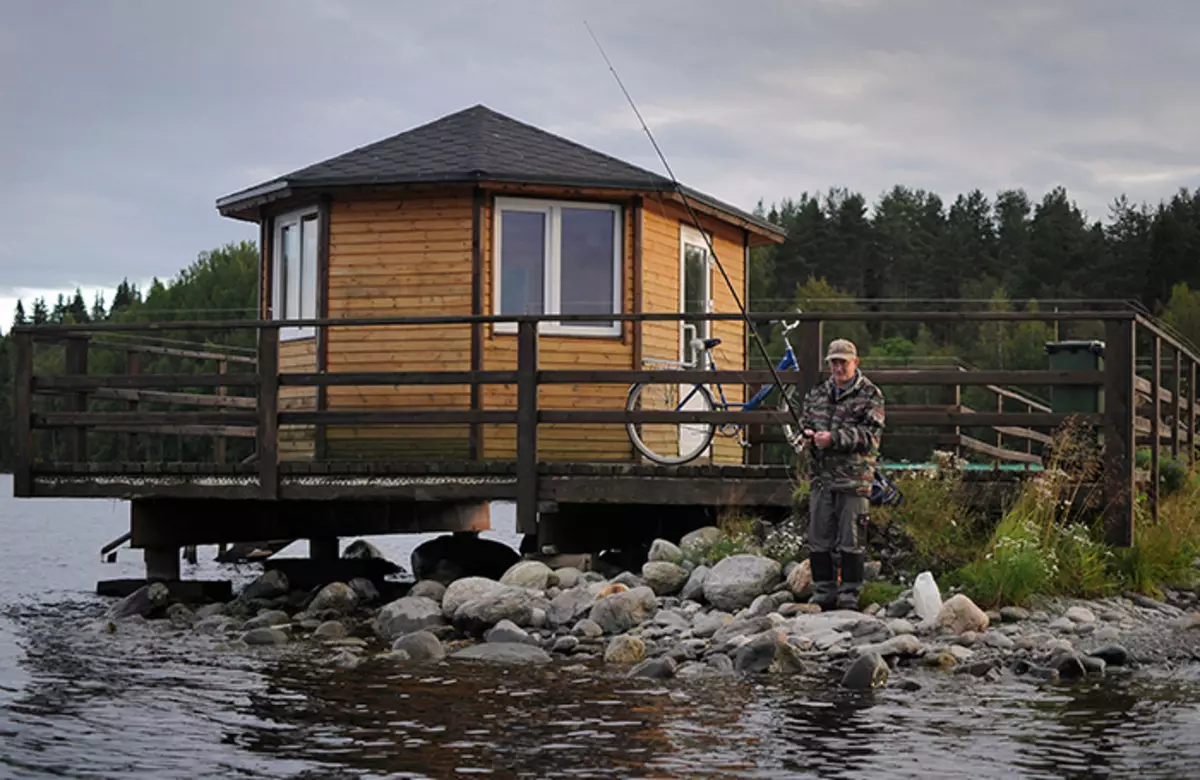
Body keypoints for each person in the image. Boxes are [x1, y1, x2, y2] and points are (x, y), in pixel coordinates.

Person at [798, 338, 886, 611]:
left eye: (842, 362)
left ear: (855, 362)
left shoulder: (871, 394)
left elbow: (871, 437)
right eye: (833, 362)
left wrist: (833, 439)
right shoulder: (817, 393)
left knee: (851, 539)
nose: (837, 368)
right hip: (821, 478)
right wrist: (807, 437)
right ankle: (823, 592)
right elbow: (804, 422)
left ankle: (849, 595)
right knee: (819, 538)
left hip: (854, 479)